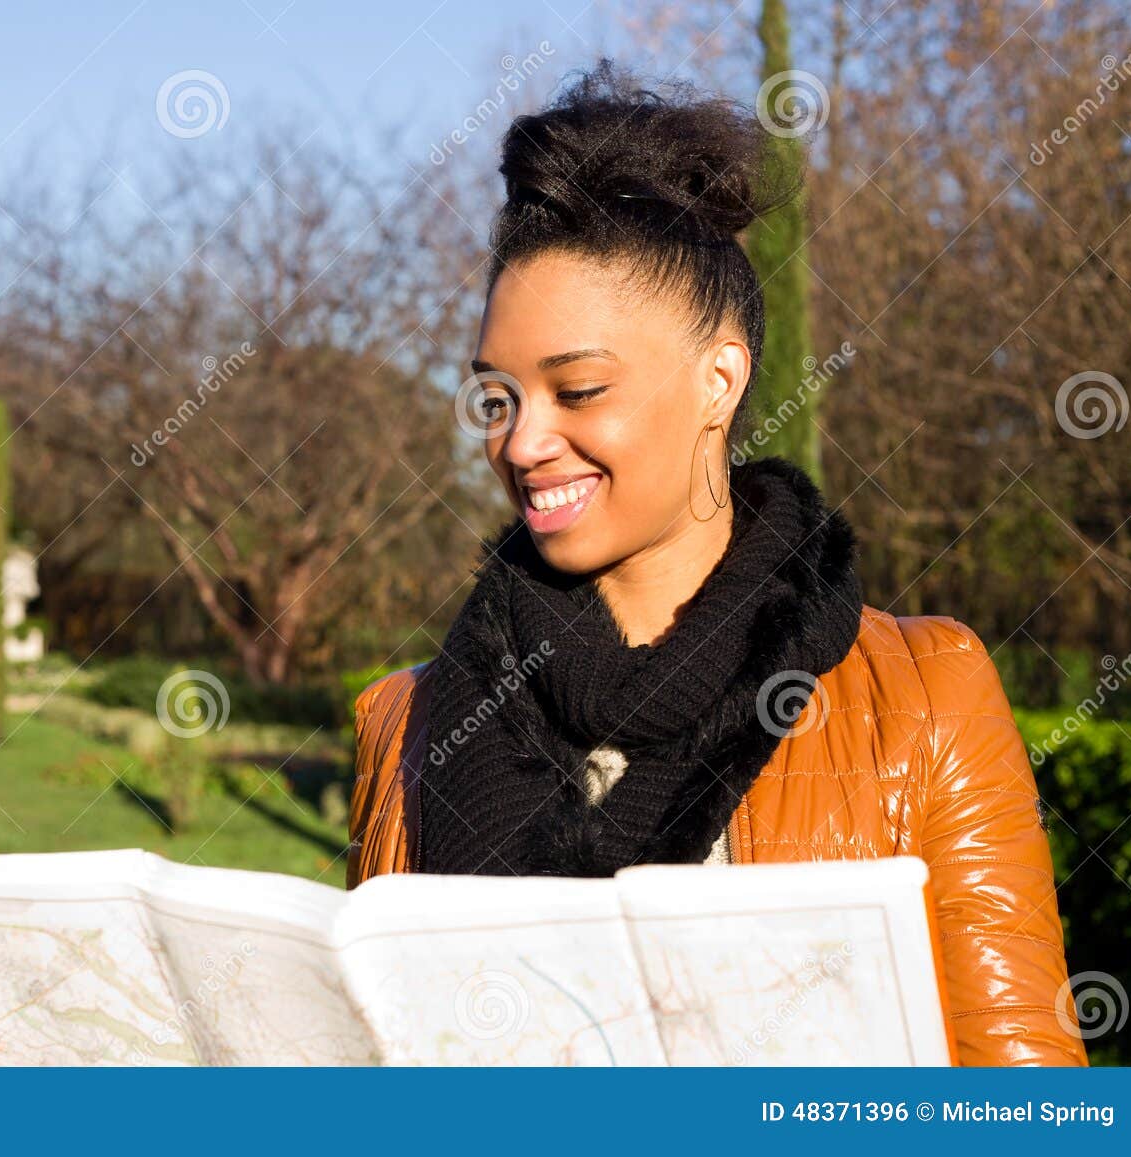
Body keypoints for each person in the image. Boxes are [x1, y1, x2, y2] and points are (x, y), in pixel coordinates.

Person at [347, 60, 1087, 1067]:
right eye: (496, 396)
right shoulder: (404, 724)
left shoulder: (925, 698)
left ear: (719, 378)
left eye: (577, 388)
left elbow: (1028, 1107)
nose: (520, 442)